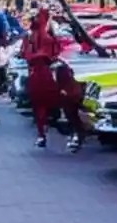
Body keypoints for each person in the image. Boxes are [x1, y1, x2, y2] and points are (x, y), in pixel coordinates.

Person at [23, 8, 84, 150]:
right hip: (46, 73)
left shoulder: (33, 36)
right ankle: (72, 132)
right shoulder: (44, 36)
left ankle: (42, 134)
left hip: (39, 74)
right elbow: (55, 52)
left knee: (41, 105)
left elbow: (27, 54)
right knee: (65, 103)